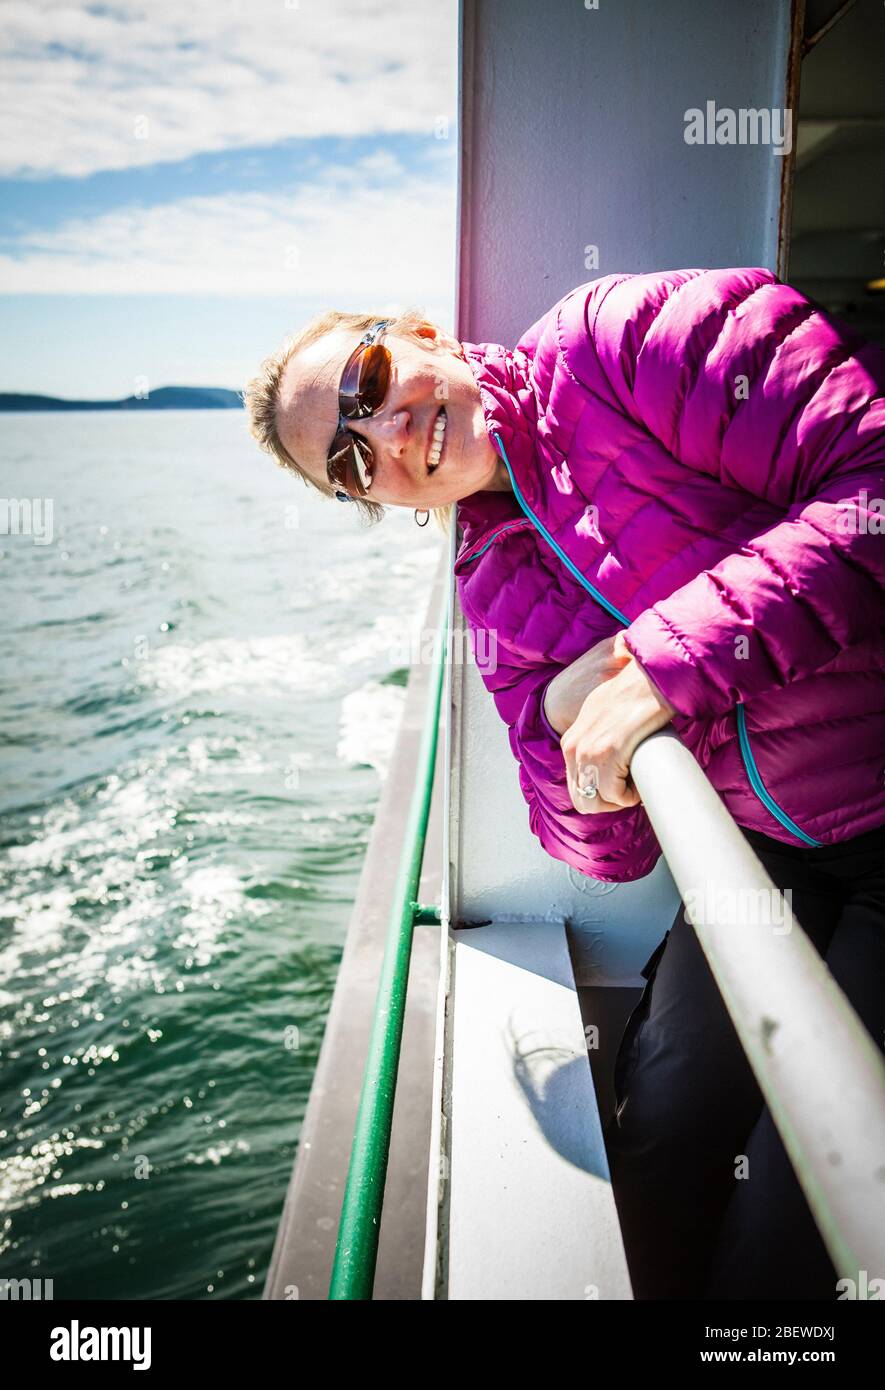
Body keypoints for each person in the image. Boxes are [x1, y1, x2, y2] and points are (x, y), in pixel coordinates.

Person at [243, 267, 885, 1299]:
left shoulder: (622, 342)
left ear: (420, 332)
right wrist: (557, 714)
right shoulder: (490, 577)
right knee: (666, 1124)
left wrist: (663, 664)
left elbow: (875, 488)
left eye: (372, 379)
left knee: (795, 1220)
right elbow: (604, 846)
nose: (392, 434)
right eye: (355, 460)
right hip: (767, 851)